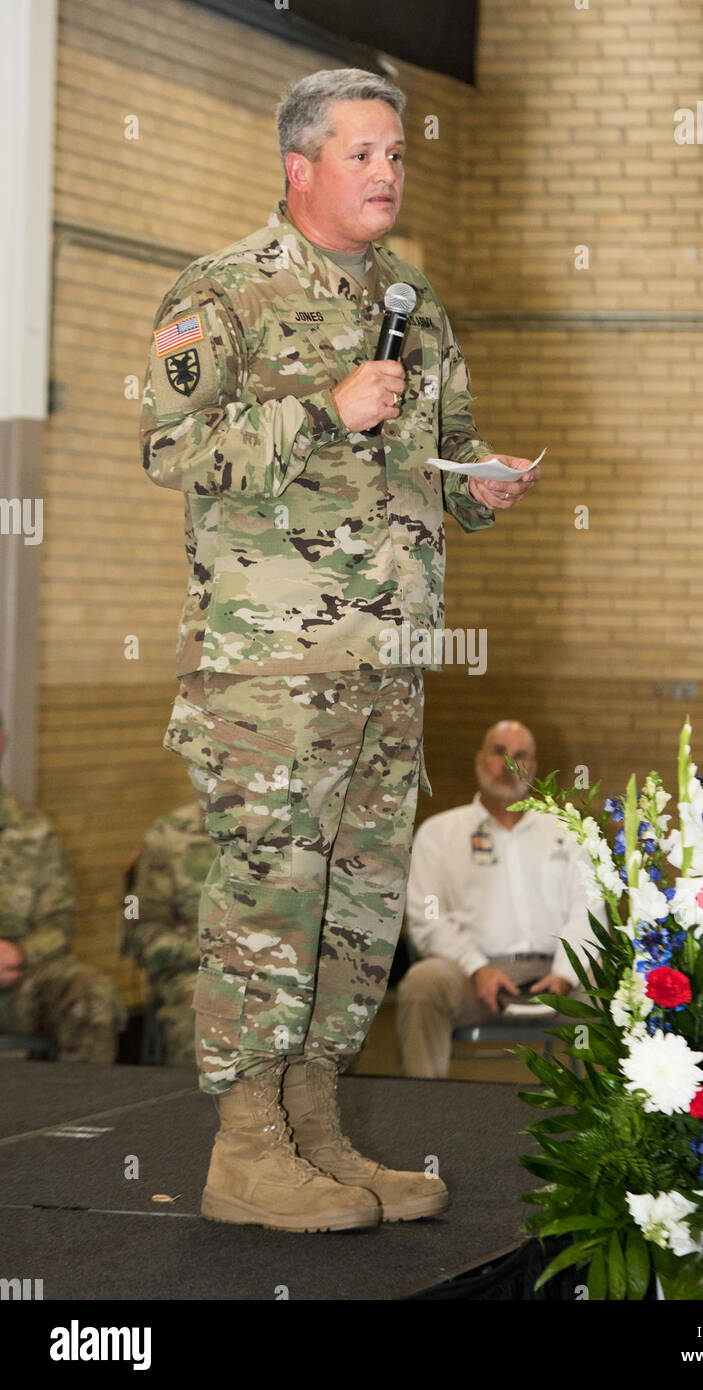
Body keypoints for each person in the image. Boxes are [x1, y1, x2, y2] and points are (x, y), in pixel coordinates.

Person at [140, 68, 539, 1233]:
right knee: (271, 902)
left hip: (386, 665)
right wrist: (323, 406)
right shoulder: (224, 290)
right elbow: (172, 450)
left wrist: (482, 487)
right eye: (361, 153)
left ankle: (314, 1131)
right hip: (268, 674)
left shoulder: (415, 302)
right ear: (298, 167)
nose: (387, 173)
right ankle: (246, 1150)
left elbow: (440, 455)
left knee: (356, 914)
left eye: (397, 154)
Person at [397, 721, 604, 1078]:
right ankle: (422, 1108)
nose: (509, 765)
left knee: (609, 990)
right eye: (499, 753)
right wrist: (477, 967)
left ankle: (600, 1117)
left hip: (558, 971)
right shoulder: (439, 833)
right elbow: (427, 916)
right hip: (468, 974)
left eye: (520, 755)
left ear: (534, 767)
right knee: (421, 984)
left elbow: (589, 911)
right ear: (480, 761)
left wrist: (565, 975)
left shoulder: (568, 830)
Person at [0, 715, 126, 1062]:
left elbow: (60, 923)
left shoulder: (33, 833)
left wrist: (20, 954)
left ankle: (87, 1112)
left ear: (1, 743)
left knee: (89, 994)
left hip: (14, 986)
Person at [124, 801, 217, 1065]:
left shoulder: (286, 827)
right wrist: (212, 950)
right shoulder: (167, 834)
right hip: (194, 970)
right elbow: (136, 923)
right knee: (204, 1009)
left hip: (275, 968)